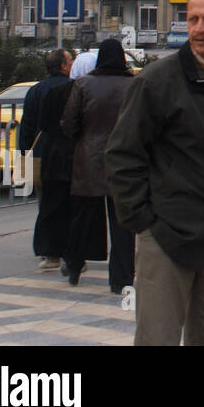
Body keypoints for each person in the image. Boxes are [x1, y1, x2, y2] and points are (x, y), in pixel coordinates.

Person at [105, 0, 204, 346]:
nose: (199, 28)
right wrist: (144, 221)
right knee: (157, 338)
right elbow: (122, 155)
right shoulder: (157, 81)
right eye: (192, 19)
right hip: (167, 237)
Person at [60, 38, 135, 292]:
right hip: (124, 162)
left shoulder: (83, 84)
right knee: (123, 224)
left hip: (88, 161)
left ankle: (74, 266)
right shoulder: (135, 85)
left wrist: (84, 139)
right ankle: (122, 279)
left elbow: (69, 123)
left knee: (81, 219)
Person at [16, 48, 72, 272]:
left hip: (41, 155)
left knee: (46, 205)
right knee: (69, 204)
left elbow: (27, 125)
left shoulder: (35, 91)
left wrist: (25, 153)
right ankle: (70, 251)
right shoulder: (72, 88)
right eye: (70, 60)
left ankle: (50, 254)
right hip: (68, 155)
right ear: (63, 66)